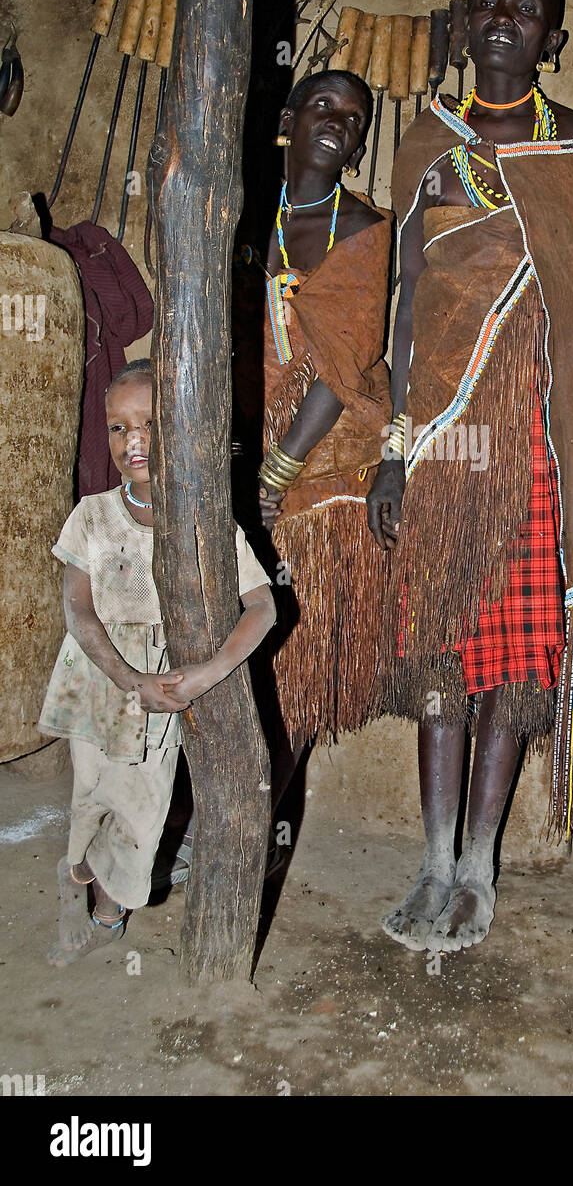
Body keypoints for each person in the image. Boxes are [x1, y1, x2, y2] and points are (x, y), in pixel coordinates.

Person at [367, 0, 573, 952]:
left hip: (533, 441)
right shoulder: (429, 147)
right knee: (441, 656)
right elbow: (404, 304)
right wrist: (393, 451)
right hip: (439, 441)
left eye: (530, 10)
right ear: (467, 25)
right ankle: (430, 861)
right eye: (493, 4)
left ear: (552, 39)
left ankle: (480, 869)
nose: (507, 19)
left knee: (510, 666)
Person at [40, 359, 275, 966]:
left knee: (145, 810)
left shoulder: (206, 524)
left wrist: (203, 674)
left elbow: (262, 608)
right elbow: (80, 615)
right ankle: (82, 887)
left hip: (166, 688)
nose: (132, 440)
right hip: (99, 679)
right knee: (91, 795)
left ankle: (108, 893)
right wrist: (128, 679)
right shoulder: (92, 515)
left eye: (148, 423)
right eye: (117, 427)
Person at [257, 70, 391, 794]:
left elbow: (342, 372)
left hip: (319, 466)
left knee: (294, 662)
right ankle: (211, 815)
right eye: (324, 105)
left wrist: (277, 475)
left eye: (356, 116)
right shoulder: (243, 216)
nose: (341, 120)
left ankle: (262, 824)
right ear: (288, 118)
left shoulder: (366, 232)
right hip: (245, 450)